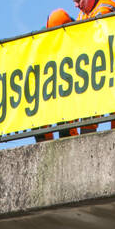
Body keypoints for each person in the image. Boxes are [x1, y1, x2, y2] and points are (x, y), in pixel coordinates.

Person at [68, 0, 115, 131]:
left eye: (78, 0)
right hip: (99, 69)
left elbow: (95, 38)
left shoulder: (104, 9)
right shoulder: (84, 13)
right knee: (91, 107)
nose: (76, 5)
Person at [35, 9, 79, 143]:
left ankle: (68, 138)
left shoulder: (76, 32)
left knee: (65, 120)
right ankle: (45, 141)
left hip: (67, 84)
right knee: (40, 118)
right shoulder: (42, 39)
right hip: (50, 83)